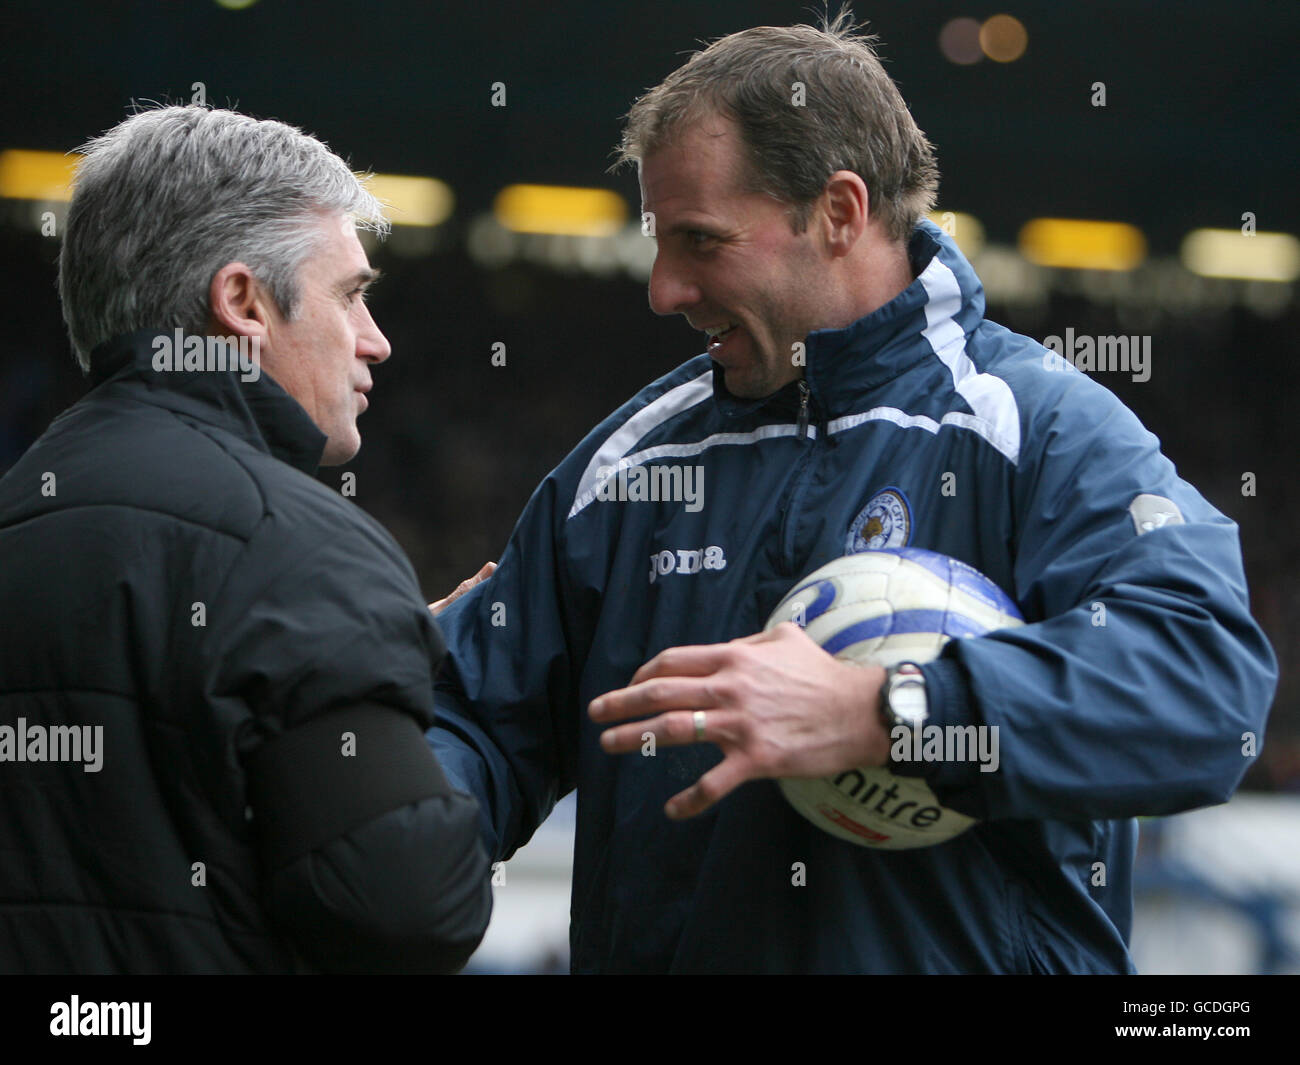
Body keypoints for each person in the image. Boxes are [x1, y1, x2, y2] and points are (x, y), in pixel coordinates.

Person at [430, 15, 1277, 973]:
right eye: (661, 243)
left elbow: (1209, 684)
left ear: (839, 212)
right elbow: (476, 722)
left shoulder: (1034, 431)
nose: (664, 289)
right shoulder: (625, 470)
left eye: (701, 241)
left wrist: (888, 711)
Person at [0, 105, 491, 973]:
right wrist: (440, 704)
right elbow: (416, 909)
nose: (376, 341)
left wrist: (356, 670)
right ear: (242, 303)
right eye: (351, 295)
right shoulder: (300, 548)